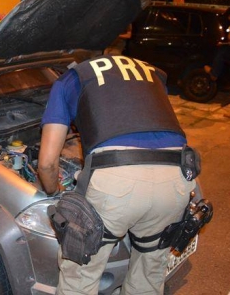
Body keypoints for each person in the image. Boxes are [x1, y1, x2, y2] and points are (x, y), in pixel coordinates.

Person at [38, 54, 196, 294]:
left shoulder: (71, 79)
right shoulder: (151, 71)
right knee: (149, 272)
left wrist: (55, 192)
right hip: (177, 176)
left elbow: (47, 163)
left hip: (118, 185)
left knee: (81, 274)